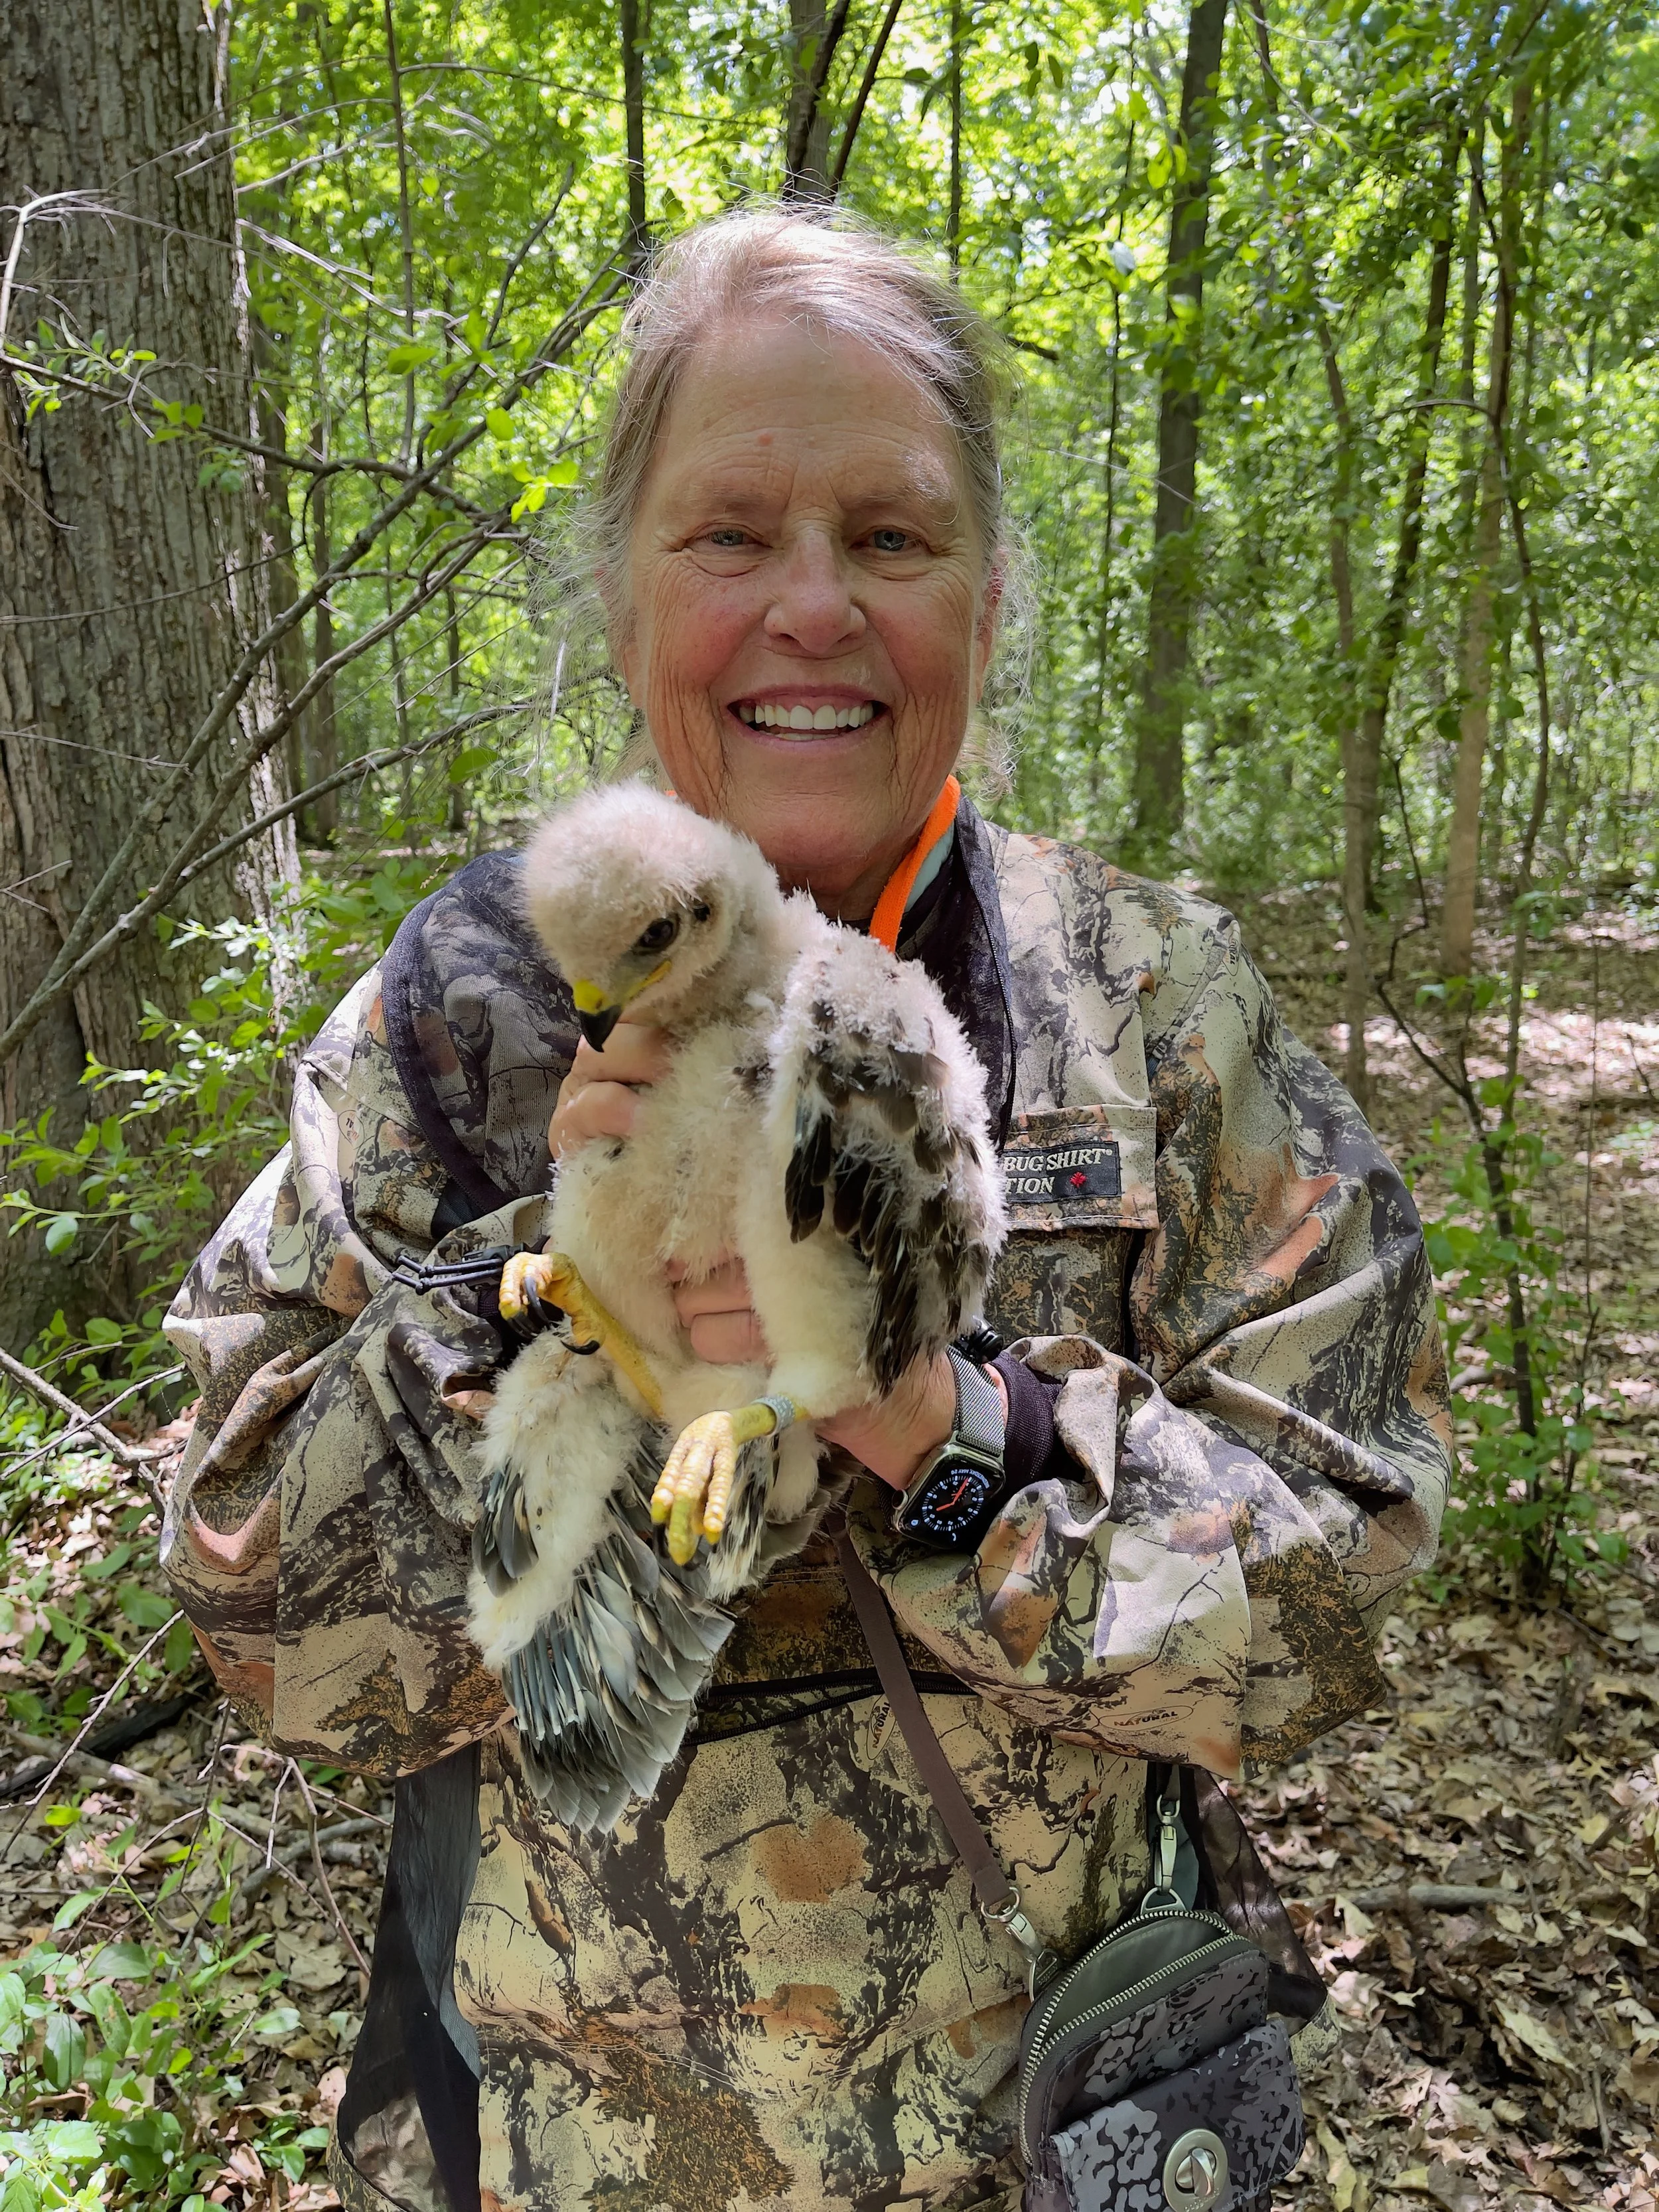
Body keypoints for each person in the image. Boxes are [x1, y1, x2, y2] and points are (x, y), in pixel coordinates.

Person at [162, 210, 1453, 2212]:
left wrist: (939, 1432)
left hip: (1055, 2142)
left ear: (987, 598)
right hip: (548, 2152)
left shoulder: (1144, 1012)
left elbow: (1349, 1582)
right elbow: (263, 1630)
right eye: (729, 535)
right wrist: (564, 1314)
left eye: (891, 537)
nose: (812, 608)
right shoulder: (449, 1025)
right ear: (621, 595)